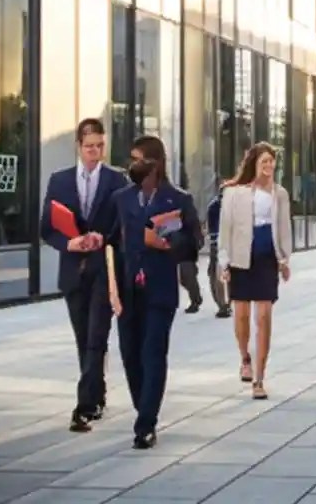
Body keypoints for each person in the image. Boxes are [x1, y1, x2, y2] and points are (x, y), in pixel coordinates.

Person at [108, 135, 200, 449]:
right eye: (130, 159)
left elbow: (194, 242)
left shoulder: (179, 199)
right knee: (130, 356)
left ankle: (146, 423)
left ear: (155, 163)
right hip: (127, 289)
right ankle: (143, 405)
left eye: (138, 159)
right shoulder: (121, 198)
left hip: (160, 289)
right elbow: (110, 242)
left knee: (153, 352)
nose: (132, 165)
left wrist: (165, 241)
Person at [39, 118, 128, 433]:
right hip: (73, 271)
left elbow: (124, 225)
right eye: (90, 147)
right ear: (79, 146)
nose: (95, 152)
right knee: (83, 338)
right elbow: (46, 228)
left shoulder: (118, 180)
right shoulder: (59, 181)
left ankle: (85, 406)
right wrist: (70, 243)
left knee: (97, 336)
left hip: (104, 270)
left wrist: (104, 238)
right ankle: (97, 392)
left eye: (100, 146)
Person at [218, 142, 293, 400]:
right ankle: (245, 357)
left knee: (263, 318)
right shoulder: (235, 193)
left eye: (272, 161)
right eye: (264, 161)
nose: (269, 166)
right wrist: (223, 262)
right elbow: (225, 229)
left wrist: (284, 259)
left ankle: (260, 379)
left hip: (266, 260)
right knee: (241, 316)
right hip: (240, 258)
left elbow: (283, 228)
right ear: (254, 164)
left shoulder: (279, 194)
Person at [205, 187, 232, 318]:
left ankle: (225, 304)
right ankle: (224, 304)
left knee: (218, 274)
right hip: (221, 244)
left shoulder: (216, 206)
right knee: (218, 274)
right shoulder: (215, 207)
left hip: (225, 244)